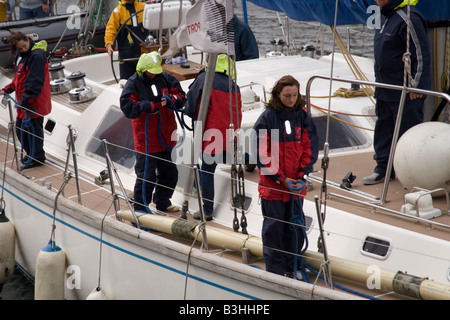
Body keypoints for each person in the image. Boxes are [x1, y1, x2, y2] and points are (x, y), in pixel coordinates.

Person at [253, 75, 318, 276]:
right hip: (274, 187)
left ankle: (294, 267)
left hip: (296, 187)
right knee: (274, 231)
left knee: (295, 229)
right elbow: (262, 154)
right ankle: (275, 271)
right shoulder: (267, 119)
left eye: (294, 95)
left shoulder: (303, 116)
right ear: (277, 95)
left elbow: (310, 148)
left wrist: (302, 175)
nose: (291, 99)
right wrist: (282, 179)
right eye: (286, 95)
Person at [363, 0, 431, 185]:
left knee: (407, 133)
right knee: (383, 129)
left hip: (405, 90)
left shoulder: (409, 17)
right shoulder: (383, 16)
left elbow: (421, 54)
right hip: (385, 88)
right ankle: (383, 169)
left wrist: (416, 86)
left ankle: (411, 173)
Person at [120, 51, 186, 213]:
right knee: (145, 176)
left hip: (165, 137)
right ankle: (141, 208)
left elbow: (181, 96)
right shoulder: (133, 83)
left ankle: (162, 201)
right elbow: (127, 106)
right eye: (152, 71)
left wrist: (171, 99)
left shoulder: (166, 78)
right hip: (147, 140)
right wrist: (147, 106)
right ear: (144, 69)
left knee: (169, 173)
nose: (155, 74)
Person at [184, 54, 243, 221]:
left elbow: (192, 103)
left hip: (211, 133)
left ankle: (207, 210)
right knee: (227, 155)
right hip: (228, 133)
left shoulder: (204, 78)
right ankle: (251, 159)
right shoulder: (234, 86)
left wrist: (186, 111)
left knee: (207, 169)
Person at [0, 31, 52, 170]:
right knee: (21, 130)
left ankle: (38, 157)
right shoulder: (21, 56)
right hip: (24, 103)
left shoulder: (37, 56)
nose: (23, 49)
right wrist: (8, 89)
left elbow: (34, 82)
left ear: (28, 40)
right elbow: (19, 78)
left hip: (33, 102)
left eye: (24, 46)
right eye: (20, 48)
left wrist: (25, 101)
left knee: (33, 129)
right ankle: (31, 154)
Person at [105, 0, 149, 80]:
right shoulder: (118, 11)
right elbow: (110, 30)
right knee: (126, 81)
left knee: (146, 80)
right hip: (126, 55)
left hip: (144, 53)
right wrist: (109, 44)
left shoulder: (144, 7)